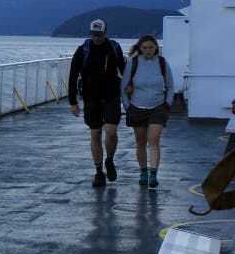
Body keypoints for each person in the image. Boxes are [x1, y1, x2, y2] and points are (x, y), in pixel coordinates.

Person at [68, 19, 126, 187]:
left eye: (99, 35)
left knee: (111, 131)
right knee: (95, 134)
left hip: (111, 95)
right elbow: (72, 77)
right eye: (93, 35)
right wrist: (73, 102)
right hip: (91, 97)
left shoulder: (114, 48)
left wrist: (130, 87)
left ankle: (109, 159)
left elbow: (123, 70)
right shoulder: (83, 50)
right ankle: (99, 172)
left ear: (105, 33)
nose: (96, 38)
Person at [120, 34, 174, 189]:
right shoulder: (133, 63)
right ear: (140, 48)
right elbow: (123, 87)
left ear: (156, 47)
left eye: (151, 47)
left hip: (158, 107)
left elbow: (170, 85)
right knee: (141, 142)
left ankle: (153, 174)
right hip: (137, 107)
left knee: (154, 139)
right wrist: (127, 106)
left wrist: (167, 104)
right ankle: (143, 172)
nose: (148, 50)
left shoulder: (162, 63)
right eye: (145, 48)